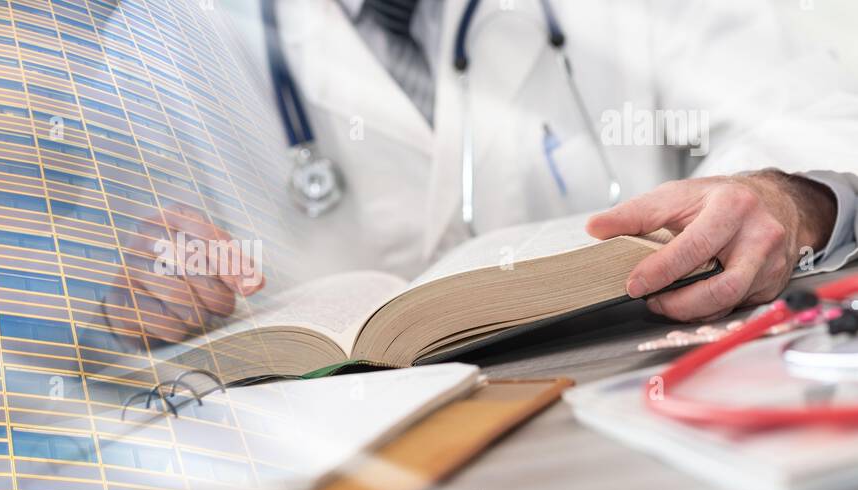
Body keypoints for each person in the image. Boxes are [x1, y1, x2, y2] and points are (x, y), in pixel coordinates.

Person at [112, 0, 858, 343]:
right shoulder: (165, 34)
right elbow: (78, 295)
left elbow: (819, 115)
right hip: (324, 475)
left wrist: (786, 196)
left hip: (622, 402)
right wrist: (128, 302)